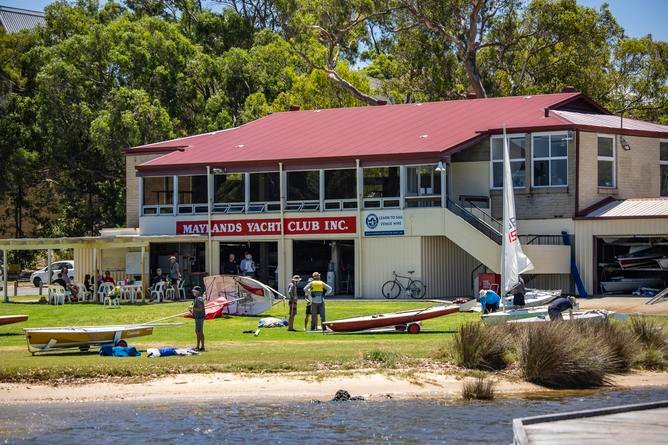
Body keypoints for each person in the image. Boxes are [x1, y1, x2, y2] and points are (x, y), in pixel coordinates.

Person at [190, 286, 206, 351]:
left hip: (200, 317)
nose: (193, 292)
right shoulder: (196, 298)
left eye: (194, 291)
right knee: (197, 331)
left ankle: (202, 347)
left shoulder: (199, 299)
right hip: (197, 317)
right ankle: (197, 346)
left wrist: (192, 308)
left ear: (198, 292)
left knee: (200, 331)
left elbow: (200, 309)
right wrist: (191, 310)